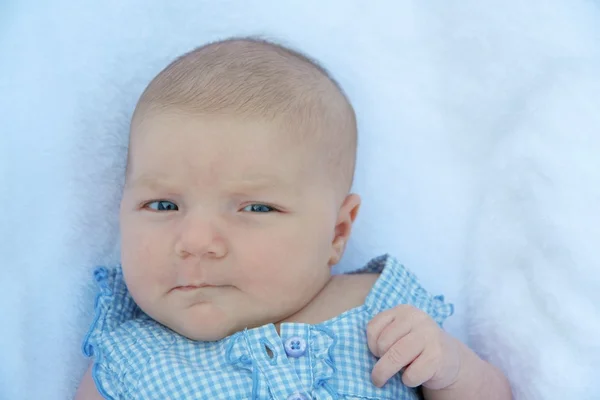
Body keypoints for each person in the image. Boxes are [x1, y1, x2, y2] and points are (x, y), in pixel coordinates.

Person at [75, 37, 512, 400]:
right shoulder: (127, 361)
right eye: (163, 205)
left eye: (256, 208)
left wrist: (450, 370)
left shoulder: (383, 314)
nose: (196, 240)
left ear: (337, 232)